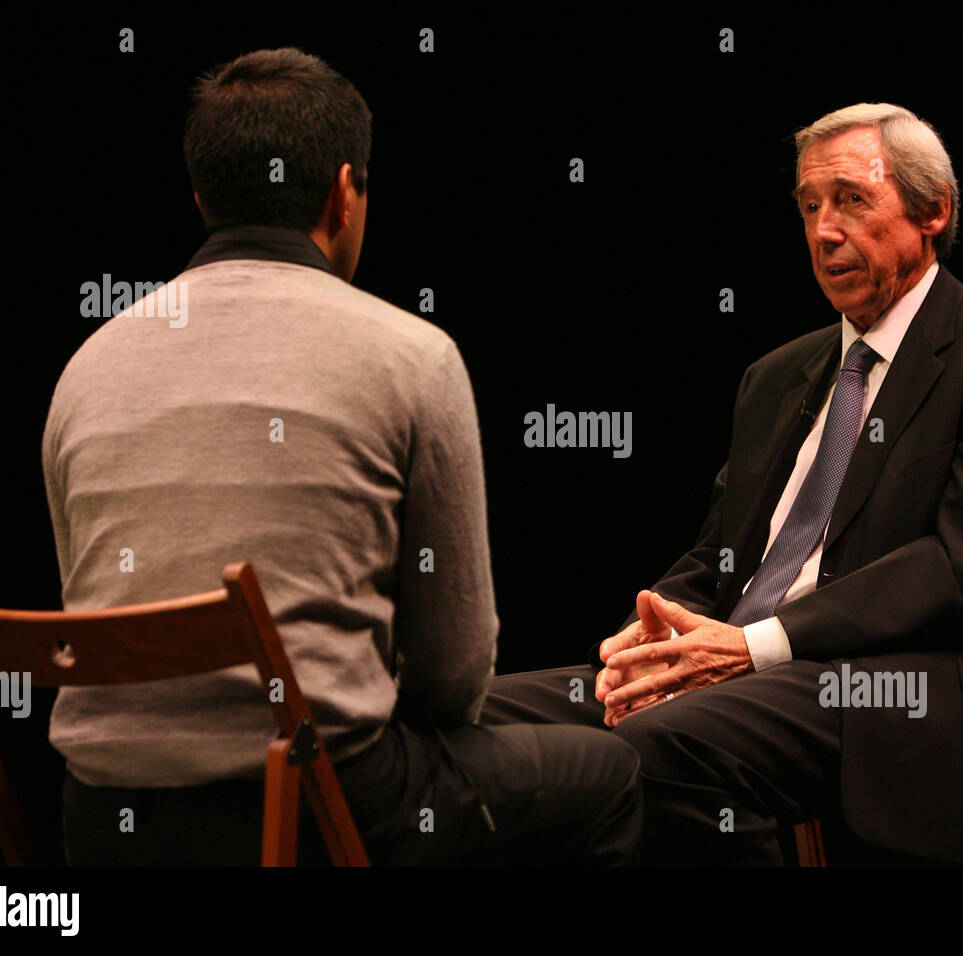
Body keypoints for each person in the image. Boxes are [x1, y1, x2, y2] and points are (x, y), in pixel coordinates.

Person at [41, 47, 641, 866]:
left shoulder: (87, 367)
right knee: (609, 775)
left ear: (200, 198)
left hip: (101, 821)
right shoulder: (410, 355)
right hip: (315, 805)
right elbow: (456, 673)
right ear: (345, 194)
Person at [481, 103, 963, 865]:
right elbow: (722, 558)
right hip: (747, 673)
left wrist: (754, 646)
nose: (824, 231)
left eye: (852, 200)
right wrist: (661, 630)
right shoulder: (775, 377)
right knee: (478, 723)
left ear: (932, 211)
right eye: (809, 206)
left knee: (660, 746)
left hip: (906, 687)